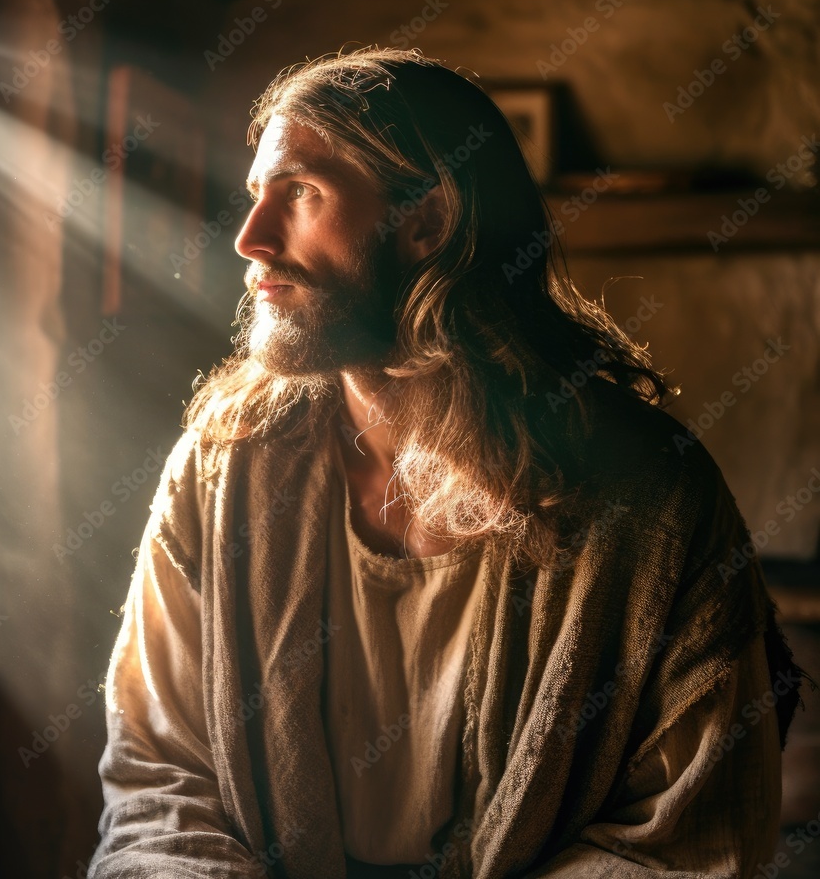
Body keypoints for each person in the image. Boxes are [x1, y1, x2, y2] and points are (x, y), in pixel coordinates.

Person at [89, 46, 803, 879]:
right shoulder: (221, 472)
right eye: (257, 196)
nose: (251, 241)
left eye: (302, 195)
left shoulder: (650, 501)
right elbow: (159, 780)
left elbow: (691, 842)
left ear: (427, 221)